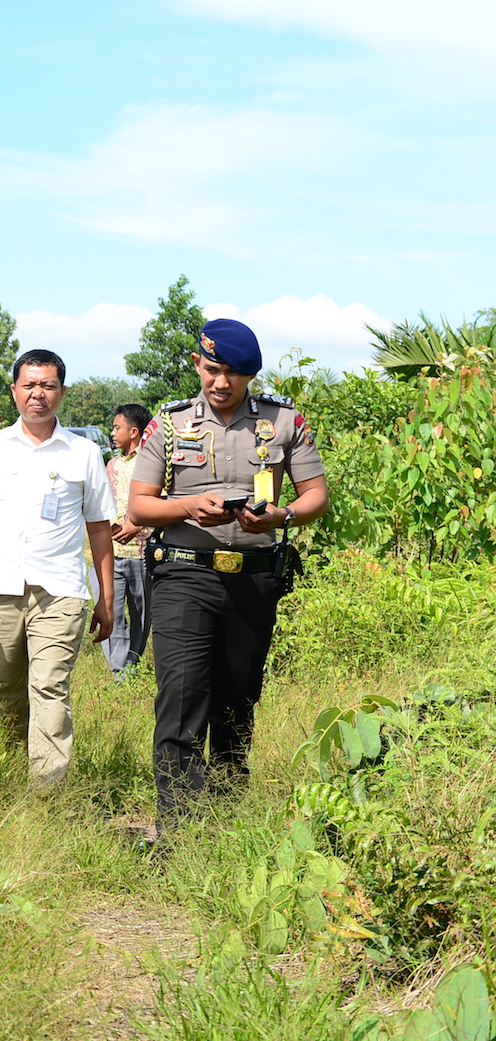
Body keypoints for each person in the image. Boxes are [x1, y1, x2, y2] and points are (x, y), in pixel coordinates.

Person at [128, 319, 328, 838]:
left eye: (234, 375)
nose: (221, 383)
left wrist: (280, 517)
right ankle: (177, 828)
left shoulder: (284, 422)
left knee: (237, 700)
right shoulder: (168, 424)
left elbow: (315, 498)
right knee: (182, 695)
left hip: (254, 580)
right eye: (212, 370)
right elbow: (140, 505)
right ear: (197, 364)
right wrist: (191, 506)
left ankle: (225, 817)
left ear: (250, 376)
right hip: (183, 574)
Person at [0, 349, 115, 792]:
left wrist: (105, 598)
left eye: (47, 386)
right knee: (5, 692)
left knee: (49, 689)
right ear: (14, 392)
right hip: (0, 589)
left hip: (61, 592)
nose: (38, 394)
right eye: (29, 385)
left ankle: (46, 792)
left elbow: (100, 530)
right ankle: (7, 772)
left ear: (62, 392)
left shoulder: (83, 453)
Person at [103, 403, 153, 678]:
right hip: (111, 553)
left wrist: (138, 524)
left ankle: (132, 665)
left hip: (142, 553)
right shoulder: (112, 465)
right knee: (111, 612)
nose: (112, 433)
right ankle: (119, 672)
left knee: (141, 614)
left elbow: (164, 503)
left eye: (117, 428)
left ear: (134, 432)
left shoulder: (151, 463)